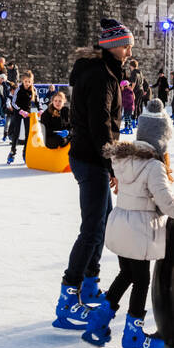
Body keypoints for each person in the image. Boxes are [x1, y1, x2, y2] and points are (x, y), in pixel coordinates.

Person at [80, 98, 174, 348]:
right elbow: (167, 204)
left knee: (127, 274)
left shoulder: (123, 159)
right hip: (140, 232)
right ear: (162, 140)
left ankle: (99, 320)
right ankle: (134, 337)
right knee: (141, 280)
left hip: (121, 226)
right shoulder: (154, 166)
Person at [54, 19, 133, 331]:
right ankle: (67, 298)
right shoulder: (102, 76)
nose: (129, 51)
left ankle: (89, 285)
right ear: (112, 46)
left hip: (91, 157)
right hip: (92, 158)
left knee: (101, 225)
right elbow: (101, 124)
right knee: (91, 230)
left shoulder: (105, 72)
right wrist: (112, 164)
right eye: (126, 45)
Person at [5, 70, 40, 164]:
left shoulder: (33, 89)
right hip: (18, 112)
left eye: (29, 81)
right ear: (22, 81)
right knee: (16, 132)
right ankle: (12, 152)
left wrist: (40, 109)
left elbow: (37, 101)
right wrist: (20, 110)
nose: (27, 83)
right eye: (25, 81)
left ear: (31, 81)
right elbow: (13, 102)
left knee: (28, 133)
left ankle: (25, 151)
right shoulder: (18, 89)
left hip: (27, 113)